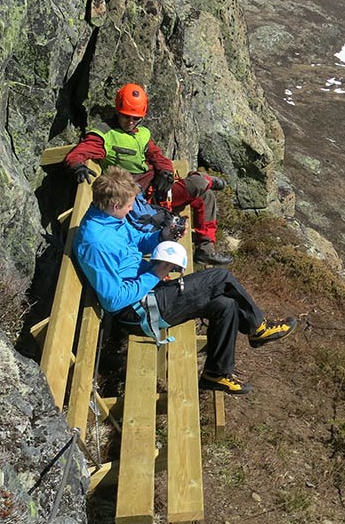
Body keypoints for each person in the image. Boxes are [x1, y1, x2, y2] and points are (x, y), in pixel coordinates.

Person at [72, 166, 298, 394]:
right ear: (115, 205)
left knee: (225, 305)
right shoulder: (96, 243)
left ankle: (216, 374)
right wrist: (157, 272)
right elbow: (113, 300)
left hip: (148, 290)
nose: (133, 207)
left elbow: (136, 242)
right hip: (137, 311)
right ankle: (257, 328)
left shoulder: (110, 219)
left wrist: (163, 236)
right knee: (220, 277)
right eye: (130, 204)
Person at [65, 82, 233, 266]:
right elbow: (79, 152)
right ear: (118, 111)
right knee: (199, 185)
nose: (130, 122)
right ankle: (206, 179)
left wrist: (166, 173)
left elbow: (157, 156)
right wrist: (77, 166)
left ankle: (205, 250)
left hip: (158, 189)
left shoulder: (142, 133)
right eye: (126, 116)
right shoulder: (105, 135)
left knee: (205, 196)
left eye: (135, 118)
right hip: (142, 200)